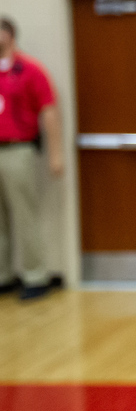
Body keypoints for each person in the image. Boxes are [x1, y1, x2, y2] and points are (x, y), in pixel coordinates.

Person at [0, 16, 63, 301]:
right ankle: (2, 276)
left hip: (18, 150)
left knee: (24, 213)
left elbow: (48, 111)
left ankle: (35, 275)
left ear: (10, 35)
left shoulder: (30, 70)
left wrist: (56, 153)